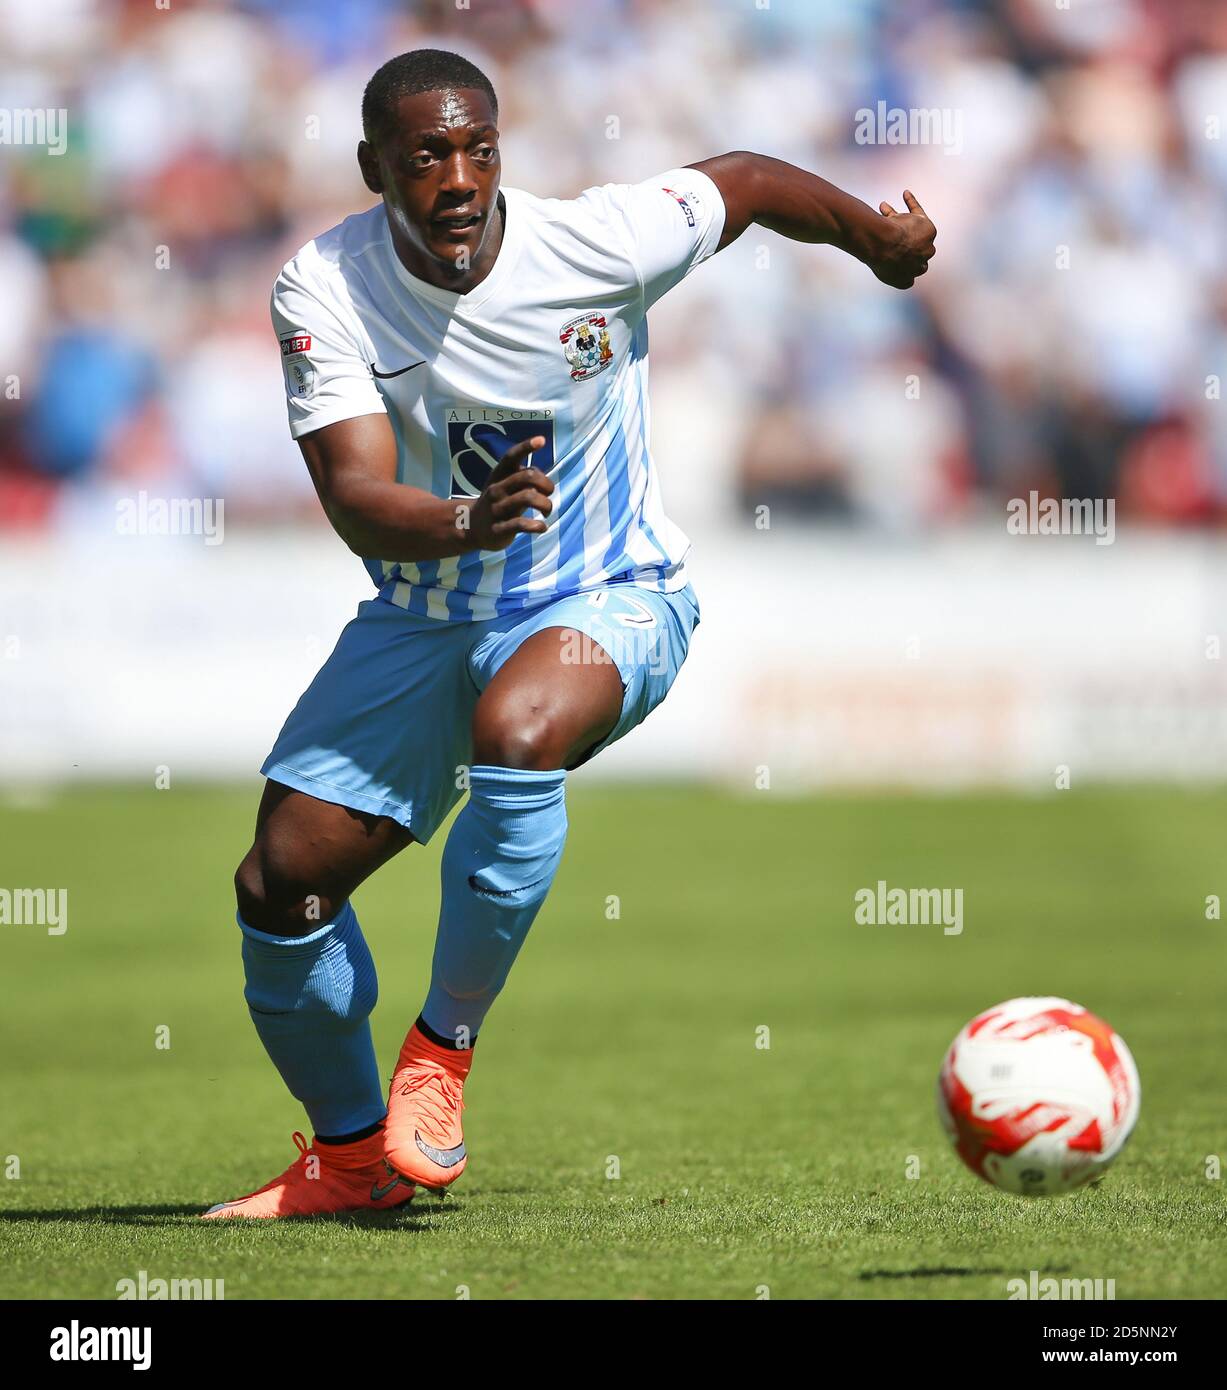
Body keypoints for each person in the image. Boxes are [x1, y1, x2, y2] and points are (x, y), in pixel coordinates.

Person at [204, 48, 935, 1218]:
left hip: (609, 593)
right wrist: (462, 516)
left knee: (521, 722)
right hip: (425, 611)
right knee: (281, 881)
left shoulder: (595, 242)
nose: (457, 178)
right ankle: (350, 1163)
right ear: (372, 168)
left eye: (477, 150)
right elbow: (352, 495)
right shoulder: (323, 285)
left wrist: (871, 238)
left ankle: (441, 1056)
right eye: (425, 155)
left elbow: (742, 182)